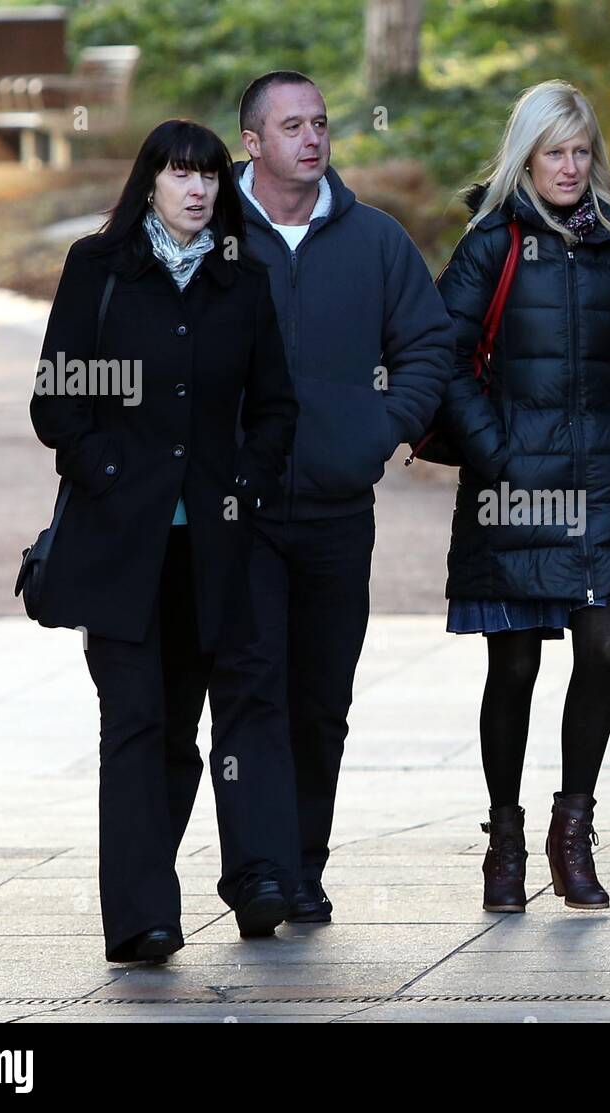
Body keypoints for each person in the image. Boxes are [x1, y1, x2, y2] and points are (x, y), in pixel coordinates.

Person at [30, 119, 298, 963]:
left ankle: (209, 883)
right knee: (136, 724)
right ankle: (142, 918)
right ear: (149, 181)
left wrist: (247, 482)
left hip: (212, 549)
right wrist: (107, 465)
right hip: (121, 546)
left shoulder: (241, 281)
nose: (198, 190)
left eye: (210, 176)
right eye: (181, 174)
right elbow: (55, 402)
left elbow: (276, 407)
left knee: (188, 728)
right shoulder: (100, 269)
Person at [209, 71, 454, 925]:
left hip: (337, 511)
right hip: (236, 511)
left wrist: (377, 429)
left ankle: (302, 864)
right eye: (291, 126)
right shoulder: (211, 233)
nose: (311, 138)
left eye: (320, 123)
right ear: (252, 141)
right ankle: (257, 874)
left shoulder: (376, 240)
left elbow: (429, 345)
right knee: (249, 692)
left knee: (320, 700)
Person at [438, 80, 610, 913]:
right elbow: (446, 355)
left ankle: (572, 831)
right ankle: (505, 838)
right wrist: (495, 451)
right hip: (512, 485)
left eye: (581, 151)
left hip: (604, 481)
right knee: (516, 662)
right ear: (526, 158)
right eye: (553, 153)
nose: (570, 167)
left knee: (603, 643)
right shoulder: (489, 243)